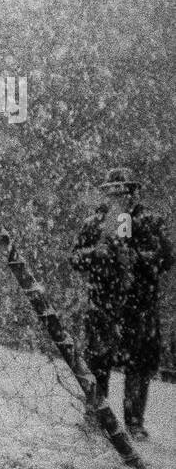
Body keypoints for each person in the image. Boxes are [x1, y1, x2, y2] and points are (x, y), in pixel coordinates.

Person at [71, 167, 172, 438]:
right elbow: (76, 257)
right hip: (102, 306)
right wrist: (98, 254)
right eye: (111, 193)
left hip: (139, 307)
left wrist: (136, 257)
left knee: (138, 366)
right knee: (97, 362)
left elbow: (165, 257)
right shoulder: (94, 222)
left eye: (123, 192)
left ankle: (134, 423)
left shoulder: (149, 221)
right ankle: (95, 416)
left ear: (133, 193)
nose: (117, 198)